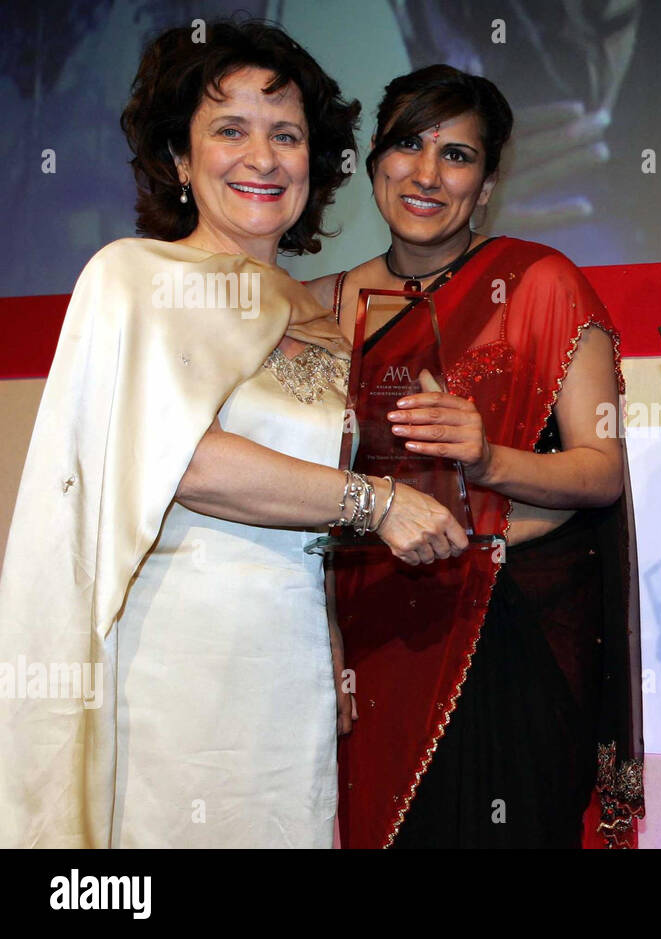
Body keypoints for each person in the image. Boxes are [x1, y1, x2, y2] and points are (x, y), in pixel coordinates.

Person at [0, 20, 467, 849]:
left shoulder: (318, 319)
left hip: (286, 669)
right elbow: (185, 459)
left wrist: (328, 630)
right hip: (173, 662)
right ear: (179, 160)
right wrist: (378, 500)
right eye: (229, 130)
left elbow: (306, 506)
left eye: (286, 134)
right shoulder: (132, 276)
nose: (262, 156)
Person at [307, 64, 643, 849]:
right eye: (407, 145)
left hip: (501, 635)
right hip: (366, 635)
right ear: (373, 160)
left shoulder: (537, 282)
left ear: (487, 184)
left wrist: (487, 457)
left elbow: (600, 471)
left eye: (457, 156)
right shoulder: (318, 307)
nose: (427, 174)